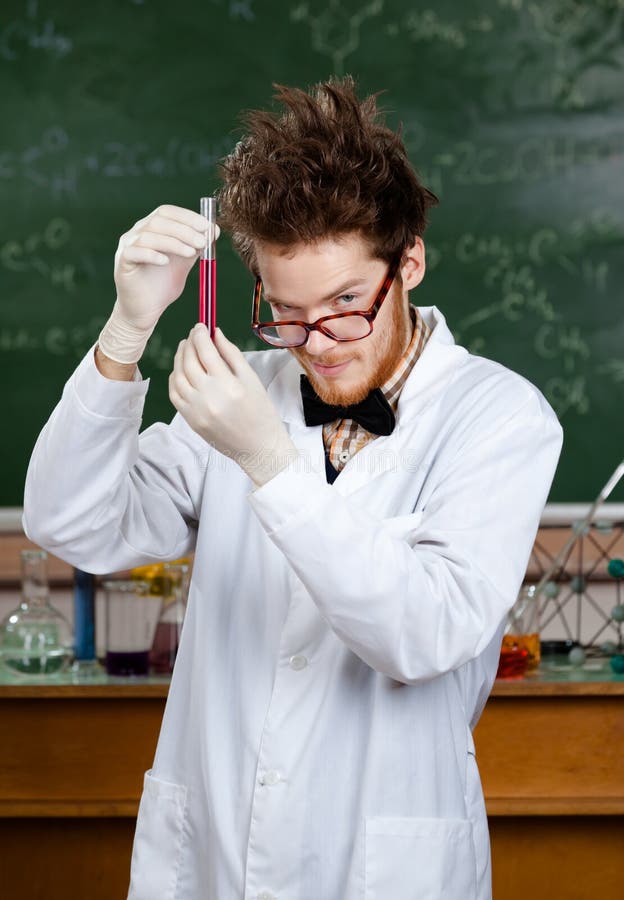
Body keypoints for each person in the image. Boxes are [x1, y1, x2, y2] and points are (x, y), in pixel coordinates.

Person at [23, 77, 562, 900]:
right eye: (286, 312)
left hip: (383, 864)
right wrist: (124, 334)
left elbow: (424, 632)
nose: (318, 345)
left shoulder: (501, 417)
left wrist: (271, 463)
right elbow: (71, 521)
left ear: (408, 259)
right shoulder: (248, 389)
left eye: (347, 304)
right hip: (212, 858)